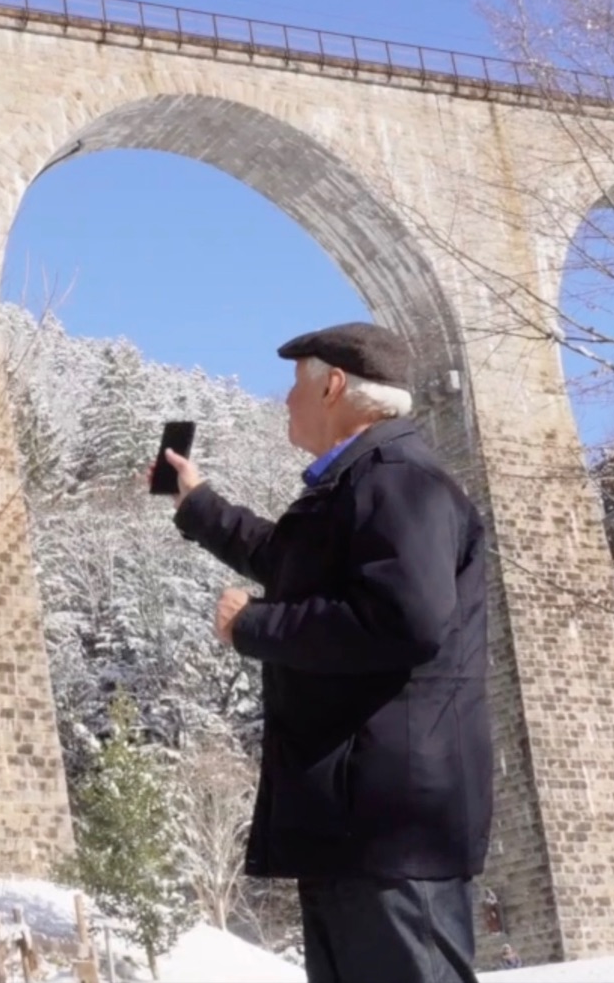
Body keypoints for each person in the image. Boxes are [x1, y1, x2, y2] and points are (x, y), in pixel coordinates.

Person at [156, 321, 492, 983]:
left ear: (334, 385)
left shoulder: (399, 483)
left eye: (295, 383)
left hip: (393, 827)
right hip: (357, 824)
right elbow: (288, 559)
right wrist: (198, 503)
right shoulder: (359, 487)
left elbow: (405, 619)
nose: (285, 399)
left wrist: (256, 626)